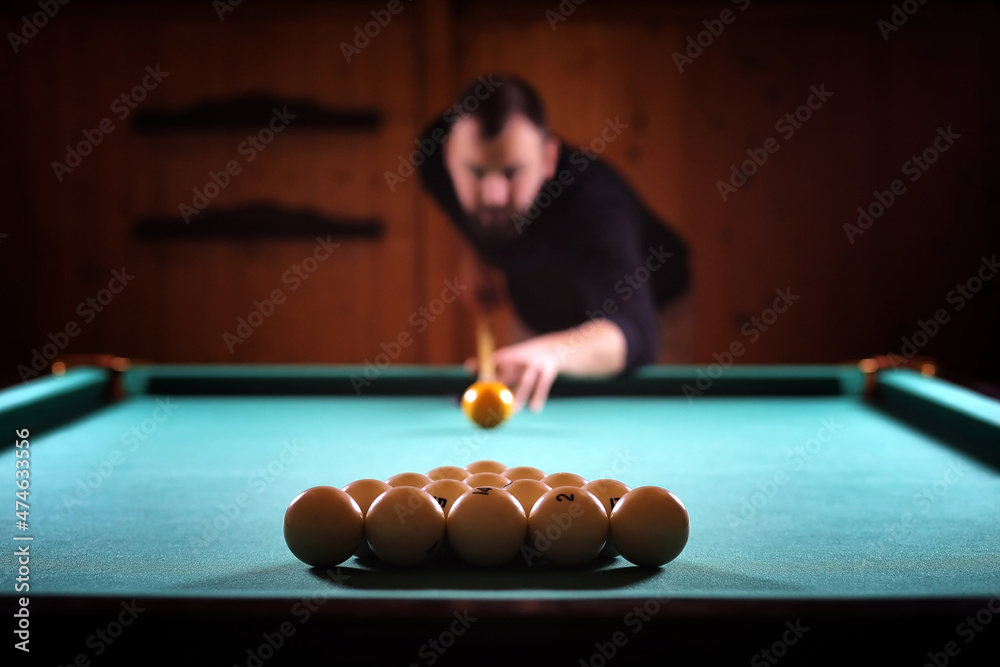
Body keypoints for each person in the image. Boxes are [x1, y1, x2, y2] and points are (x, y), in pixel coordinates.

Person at [417, 74, 691, 413]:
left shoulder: (597, 206)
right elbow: (469, 214)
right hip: (538, 309)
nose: (492, 196)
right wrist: (474, 254)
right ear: (448, 156)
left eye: (512, 172)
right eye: (475, 172)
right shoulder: (433, 161)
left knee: (628, 428)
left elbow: (636, 334)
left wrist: (553, 352)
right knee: (521, 425)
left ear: (548, 159)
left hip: (643, 311)